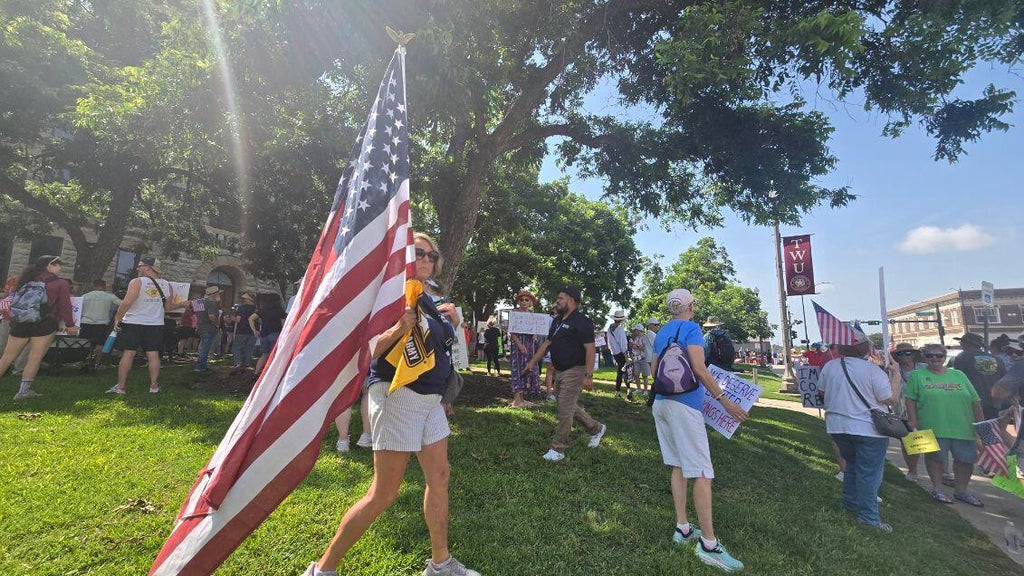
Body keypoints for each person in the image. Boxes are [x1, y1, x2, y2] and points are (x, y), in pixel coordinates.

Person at [303, 232, 479, 576]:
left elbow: (441, 348)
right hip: (399, 395)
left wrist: (453, 323)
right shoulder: (390, 293)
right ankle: (322, 569)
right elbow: (367, 350)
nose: (426, 259)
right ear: (405, 256)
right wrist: (398, 327)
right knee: (384, 493)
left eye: (432, 255)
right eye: (419, 253)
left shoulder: (428, 297)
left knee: (440, 477)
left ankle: (440, 565)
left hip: (431, 399)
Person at [649, 288, 747, 571]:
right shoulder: (692, 330)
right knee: (702, 472)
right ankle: (709, 545)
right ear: (690, 306)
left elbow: (654, 371)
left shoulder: (662, 332)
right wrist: (725, 401)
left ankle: (682, 528)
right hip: (685, 406)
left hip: (662, 403)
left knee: (678, 465)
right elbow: (700, 370)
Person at [820, 330, 896, 532]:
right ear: (864, 347)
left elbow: (821, 392)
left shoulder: (830, 366)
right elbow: (889, 399)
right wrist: (896, 376)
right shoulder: (872, 370)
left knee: (852, 466)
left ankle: (850, 502)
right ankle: (869, 518)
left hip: (838, 427)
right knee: (869, 474)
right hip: (868, 429)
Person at [524, 285, 606, 462]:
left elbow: (590, 349)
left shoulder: (582, 321)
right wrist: (532, 363)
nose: (557, 302)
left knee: (564, 409)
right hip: (559, 370)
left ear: (571, 300)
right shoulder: (557, 321)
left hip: (575, 370)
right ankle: (596, 428)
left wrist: (588, 375)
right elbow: (547, 344)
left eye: (560, 298)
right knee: (566, 405)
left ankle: (558, 449)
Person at [906, 342, 985, 507]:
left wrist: (981, 425)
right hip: (932, 425)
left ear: (944, 357)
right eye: (930, 355)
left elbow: (975, 400)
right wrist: (912, 420)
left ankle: (961, 491)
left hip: (964, 426)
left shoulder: (959, 375)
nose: (935, 358)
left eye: (939, 355)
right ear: (924, 357)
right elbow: (910, 399)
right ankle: (937, 489)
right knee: (935, 459)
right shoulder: (917, 375)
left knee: (966, 460)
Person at [0, 256, 78, 399]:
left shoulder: (25, 279)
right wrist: (71, 325)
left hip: (21, 322)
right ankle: (23, 391)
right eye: (58, 264)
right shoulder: (61, 283)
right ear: (49, 265)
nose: (60, 267)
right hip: (45, 323)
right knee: (35, 357)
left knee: (7, 357)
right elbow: (65, 306)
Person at [107, 257, 183, 394]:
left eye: (140, 266)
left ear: (148, 268)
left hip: (133, 322)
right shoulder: (167, 285)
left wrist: (117, 318)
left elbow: (127, 302)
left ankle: (121, 386)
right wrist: (182, 304)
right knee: (153, 354)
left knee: (129, 353)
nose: (138, 268)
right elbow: (168, 307)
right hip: (155, 324)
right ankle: (154, 386)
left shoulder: (137, 282)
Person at [887, 343, 925, 480]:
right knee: (909, 442)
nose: (904, 356)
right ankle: (912, 471)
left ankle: (942, 471)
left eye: (908, 353)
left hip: (925, 410)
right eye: (900, 353)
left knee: (932, 442)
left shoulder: (924, 368)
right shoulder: (891, 371)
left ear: (914, 354)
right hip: (903, 411)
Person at [953, 332, 1005, 420]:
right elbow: (1003, 379)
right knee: (992, 426)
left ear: (967, 344)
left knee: (975, 426)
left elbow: (958, 379)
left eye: (961, 342)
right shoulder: (997, 359)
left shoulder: (962, 357)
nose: (960, 344)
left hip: (973, 401)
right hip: (994, 401)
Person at [508, 289, 541, 407]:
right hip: (518, 345)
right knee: (517, 369)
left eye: (527, 300)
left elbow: (534, 331)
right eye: (521, 299)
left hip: (529, 345)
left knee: (527, 369)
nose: (524, 301)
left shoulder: (532, 315)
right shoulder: (514, 312)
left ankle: (522, 399)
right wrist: (519, 345)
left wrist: (535, 333)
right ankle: (516, 400)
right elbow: (512, 332)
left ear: (531, 302)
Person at [79, 279, 122, 369]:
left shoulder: (85, 296)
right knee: (100, 344)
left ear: (93, 285)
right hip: (101, 323)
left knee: (84, 343)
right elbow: (122, 304)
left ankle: (83, 361)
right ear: (104, 286)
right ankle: (96, 363)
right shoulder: (109, 296)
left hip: (86, 322)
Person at [250, 293, 287, 377]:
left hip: (264, 335)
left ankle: (256, 373)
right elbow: (283, 324)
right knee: (275, 355)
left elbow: (251, 318)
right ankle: (271, 374)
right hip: (275, 334)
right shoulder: (280, 311)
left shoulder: (262, 310)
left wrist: (255, 331)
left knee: (264, 355)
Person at [194, 286, 223, 372]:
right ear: (214, 295)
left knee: (202, 347)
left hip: (200, 327)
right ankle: (200, 367)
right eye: (218, 294)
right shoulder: (211, 304)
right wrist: (217, 324)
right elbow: (211, 317)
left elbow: (196, 316)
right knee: (205, 348)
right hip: (209, 328)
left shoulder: (198, 302)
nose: (219, 296)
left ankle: (201, 365)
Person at [231, 293, 258, 374]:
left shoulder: (241, 308)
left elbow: (238, 320)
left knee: (237, 347)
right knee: (249, 348)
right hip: (253, 331)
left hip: (242, 330)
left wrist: (232, 318)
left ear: (249, 300)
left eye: (245, 299)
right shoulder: (256, 309)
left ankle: (238, 363)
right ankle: (247, 363)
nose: (243, 300)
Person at [607, 309, 630, 398]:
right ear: (621, 320)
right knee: (624, 372)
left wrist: (612, 353)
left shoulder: (609, 329)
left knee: (621, 372)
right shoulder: (620, 330)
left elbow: (609, 343)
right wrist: (627, 357)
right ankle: (622, 391)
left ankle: (622, 390)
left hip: (615, 353)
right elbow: (623, 344)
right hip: (621, 353)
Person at [629, 324, 651, 397]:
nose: (634, 331)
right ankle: (639, 389)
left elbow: (645, 349)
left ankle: (645, 391)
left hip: (644, 359)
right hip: (636, 358)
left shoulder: (645, 338)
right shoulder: (636, 338)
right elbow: (634, 348)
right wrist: (632, 346)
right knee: (636, 374)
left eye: (635, 330)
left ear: (639, 330)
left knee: (645, 375)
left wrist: (636, 346)